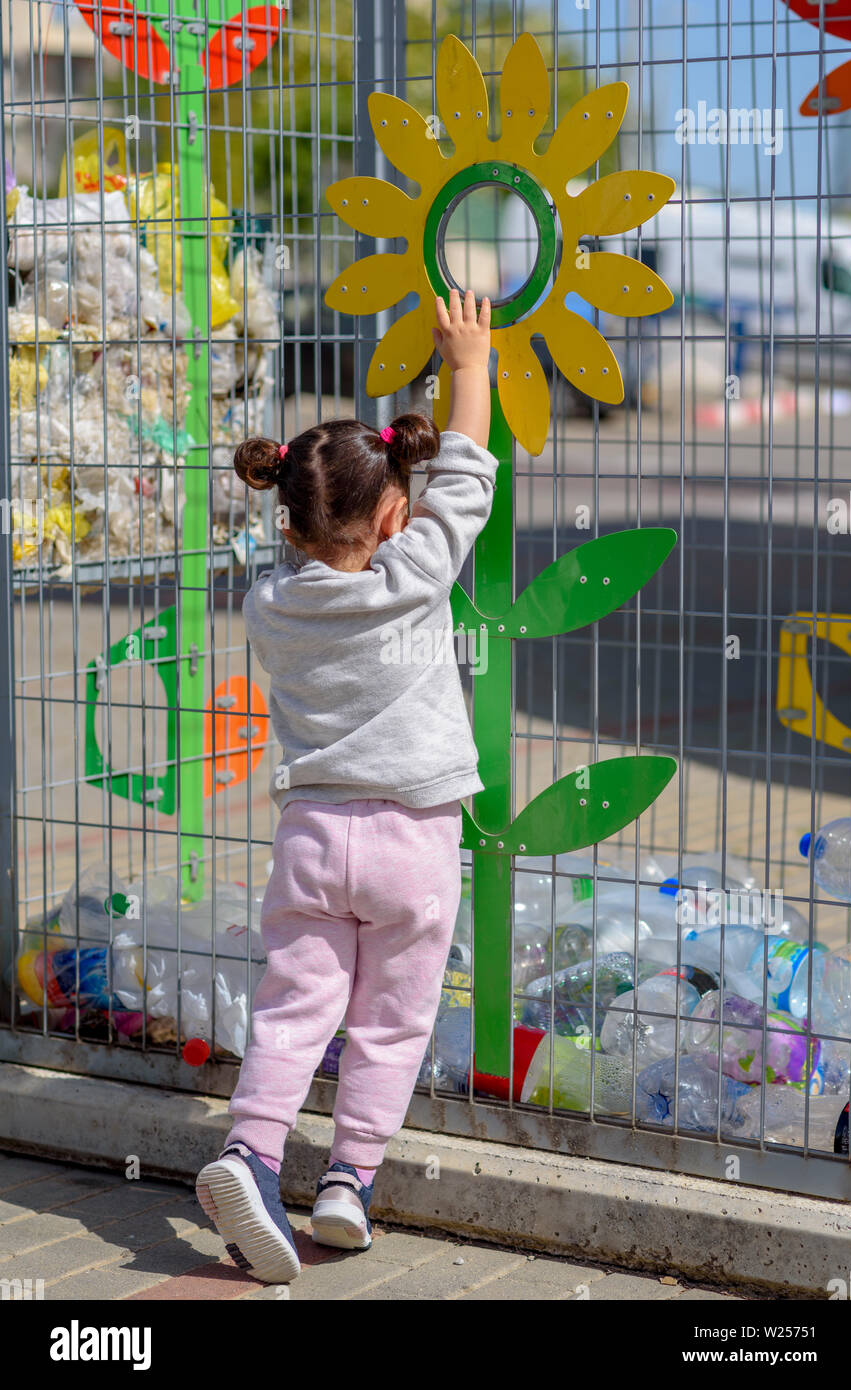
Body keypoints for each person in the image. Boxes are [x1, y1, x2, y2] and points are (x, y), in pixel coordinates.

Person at [195, 288, 495, 1283]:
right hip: (414, 838)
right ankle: (348, 1180)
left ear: (286, 525)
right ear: (396, 517)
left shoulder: (269, 607)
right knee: (391, 1018)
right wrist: (469, 365)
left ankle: (251, 1148)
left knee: (295, 1007)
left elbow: (410, 509)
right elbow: (469, 479)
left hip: (314, 833)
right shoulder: (414, 579)